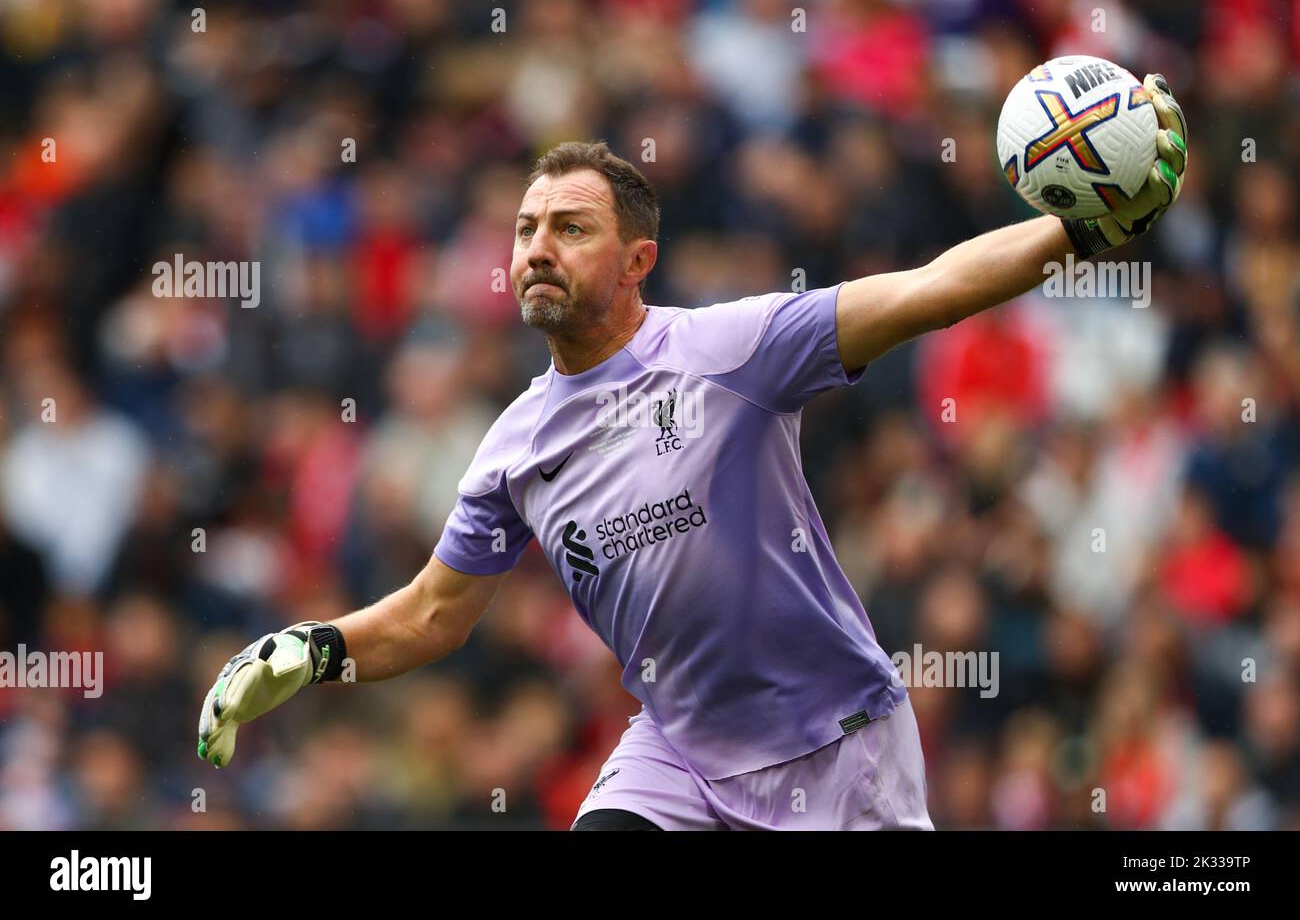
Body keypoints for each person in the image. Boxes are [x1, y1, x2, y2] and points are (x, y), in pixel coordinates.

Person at [197, 75, 1187, 831]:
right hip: (677, 747)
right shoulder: (512, 447)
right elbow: (430, 615)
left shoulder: (736, 348)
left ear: (636, 262)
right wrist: (316, 646)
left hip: (837, 744)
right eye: (526, 228)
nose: (537, 246)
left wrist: (1076, 230)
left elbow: (930, 286)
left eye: (571, 228)